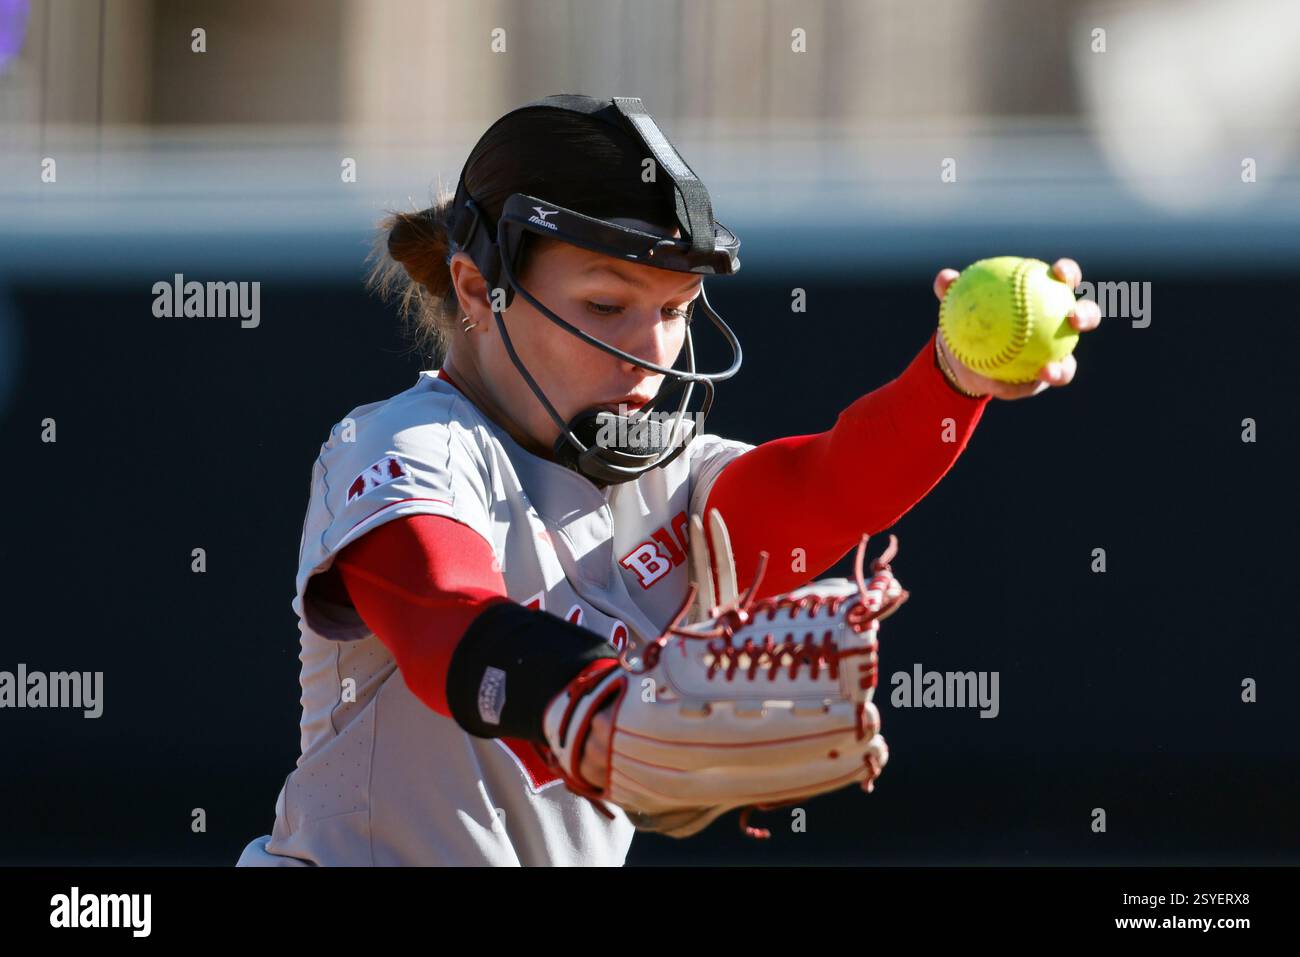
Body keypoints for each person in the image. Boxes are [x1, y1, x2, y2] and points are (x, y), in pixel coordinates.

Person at [236, 93, 1101, 867]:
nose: (652, 350)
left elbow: (833, 483)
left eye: (676, 310)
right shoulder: (402, 441)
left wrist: (952, 380)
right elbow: (445, 618)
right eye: (607, 305)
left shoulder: (669, 480)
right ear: (476, 286)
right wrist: (592, 710)